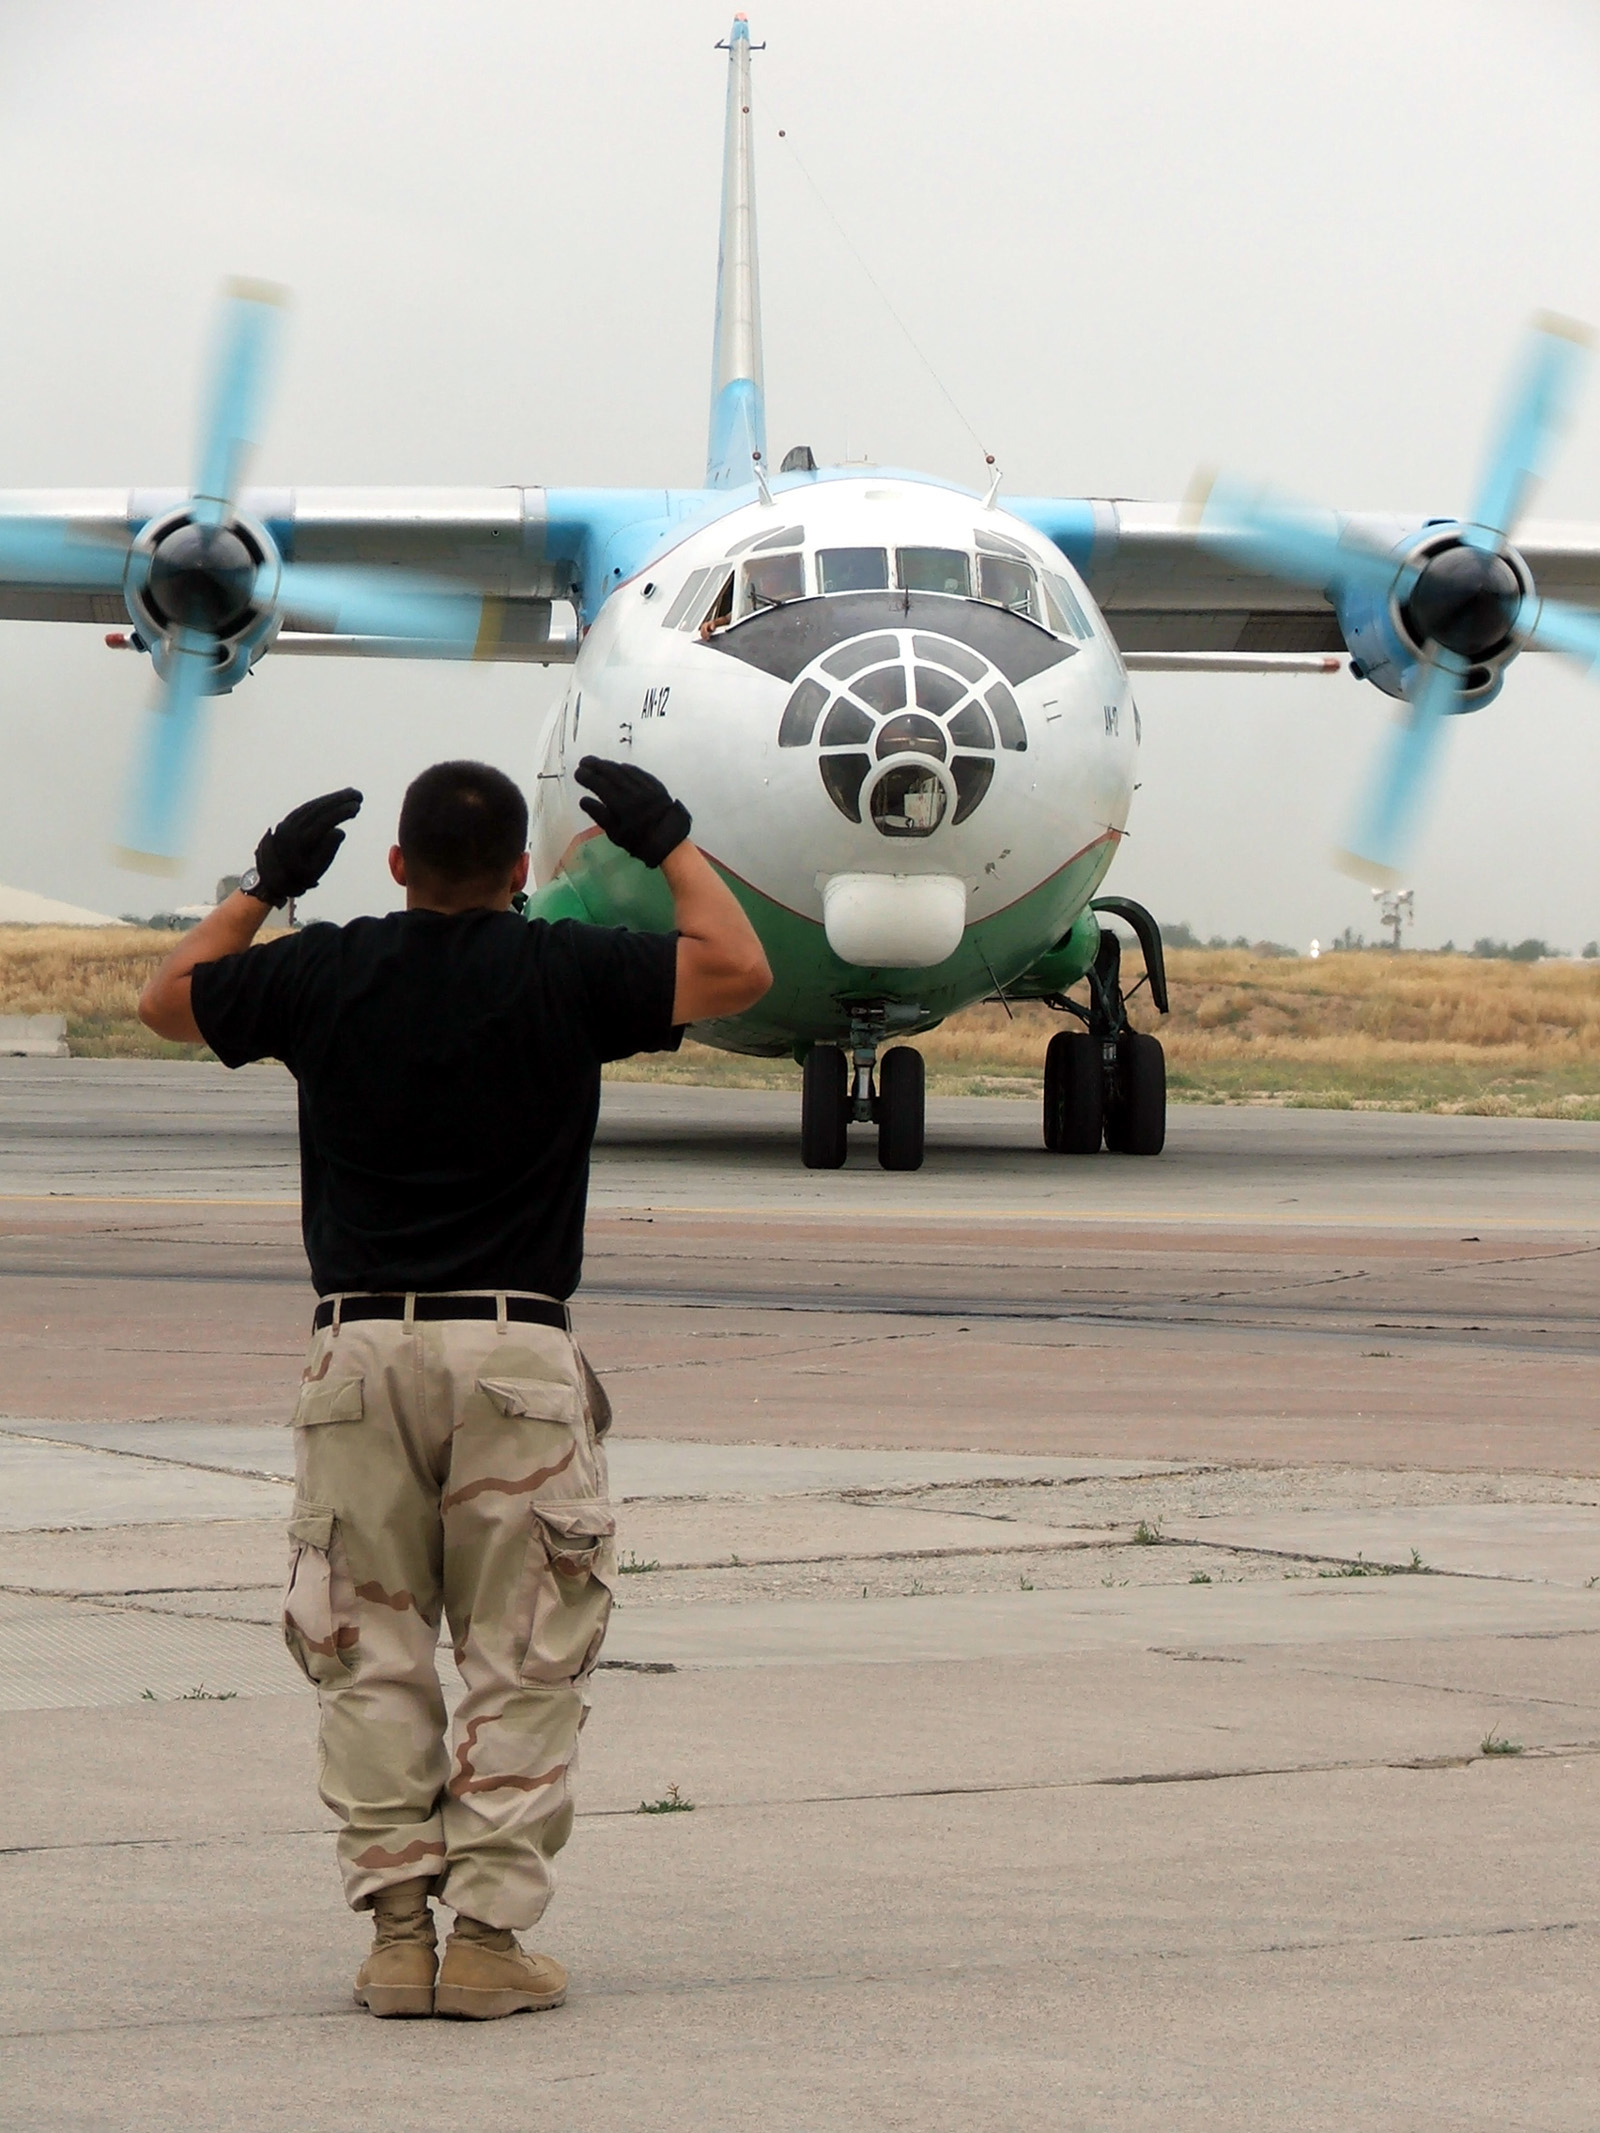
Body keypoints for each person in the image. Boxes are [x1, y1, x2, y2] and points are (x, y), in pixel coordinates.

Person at [139, 757, 771, 2020]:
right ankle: (486, 1940)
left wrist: (264, 884)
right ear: (522, 871)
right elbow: (737, 970)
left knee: (364, 1648)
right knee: (523, 1653)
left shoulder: (325, 971)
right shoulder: (565, 969)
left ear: (394, 865)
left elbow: (166, 1001)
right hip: (514, 1353)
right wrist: (668, 845)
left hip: (358, 1351)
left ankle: (394, 1936)